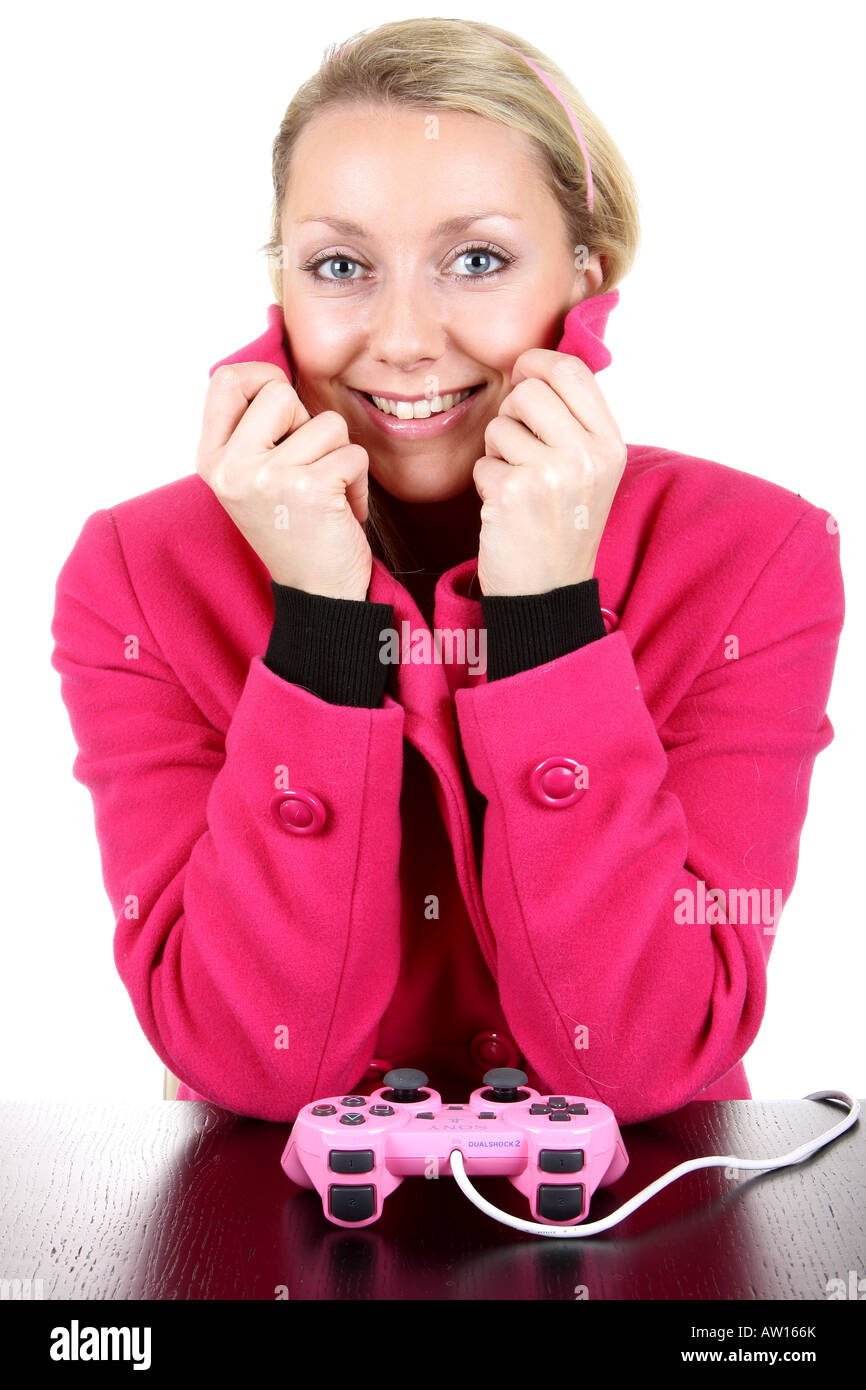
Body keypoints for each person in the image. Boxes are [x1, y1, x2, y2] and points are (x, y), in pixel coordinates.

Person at [50, 17, 843, 1125]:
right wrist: (321, 624)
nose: (407, 337)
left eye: (476, 261)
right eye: (341, 265)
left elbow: (644, 1061)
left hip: (646, 1245)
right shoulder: (135, 572)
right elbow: (251, 1064)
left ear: (585, 271)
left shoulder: (753, 553)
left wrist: (551, 621)